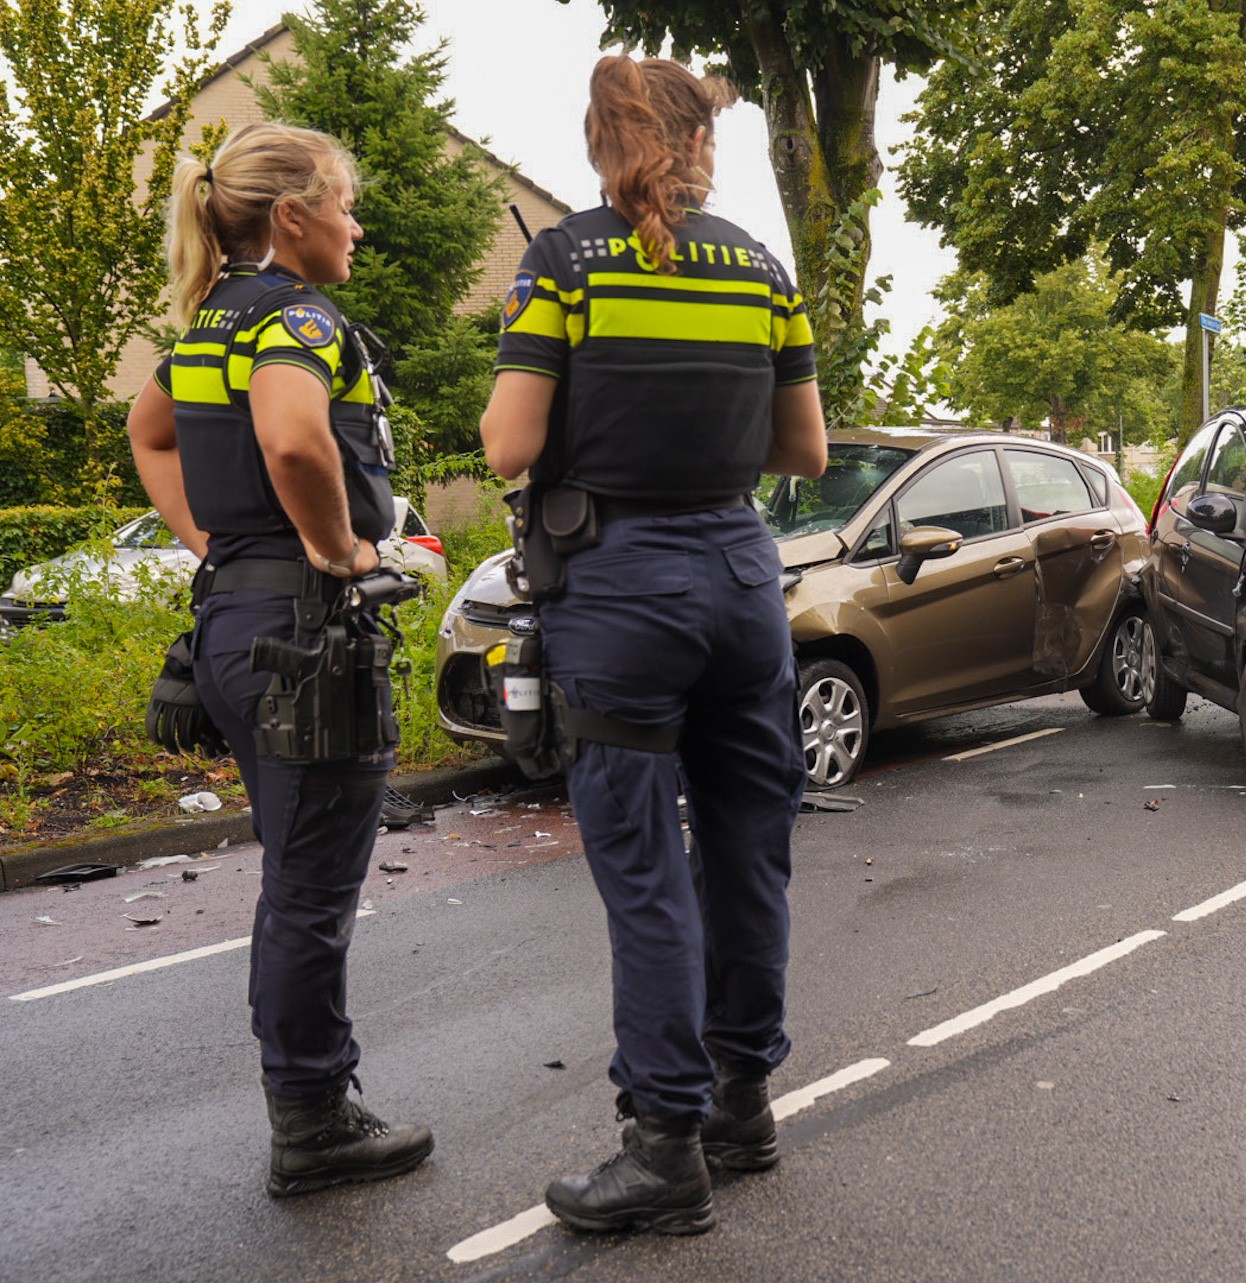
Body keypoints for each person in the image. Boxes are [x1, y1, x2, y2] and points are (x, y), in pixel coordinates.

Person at [481, 55, 826, 1235]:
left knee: (647, 874)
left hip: (624, 588)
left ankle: (664, 1146)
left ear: (601, 145)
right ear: (694, 150)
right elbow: (808, 453)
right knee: (748, 850)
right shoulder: (764, 268)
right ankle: (743, 1103)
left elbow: (510, 444)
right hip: (741, 578)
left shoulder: (561, 262)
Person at [126, 122, 432, 1197]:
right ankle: (312, 1123)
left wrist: (216, 541)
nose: (357, 225)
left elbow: (148, 430)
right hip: (303, 637)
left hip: (231, 627)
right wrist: (339, 548)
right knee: (309, 890)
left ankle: (314, 1099)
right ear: (293, 215)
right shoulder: (300, 315)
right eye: (346, 206)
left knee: (293, 880)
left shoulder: (211, 321)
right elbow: (297, 440)